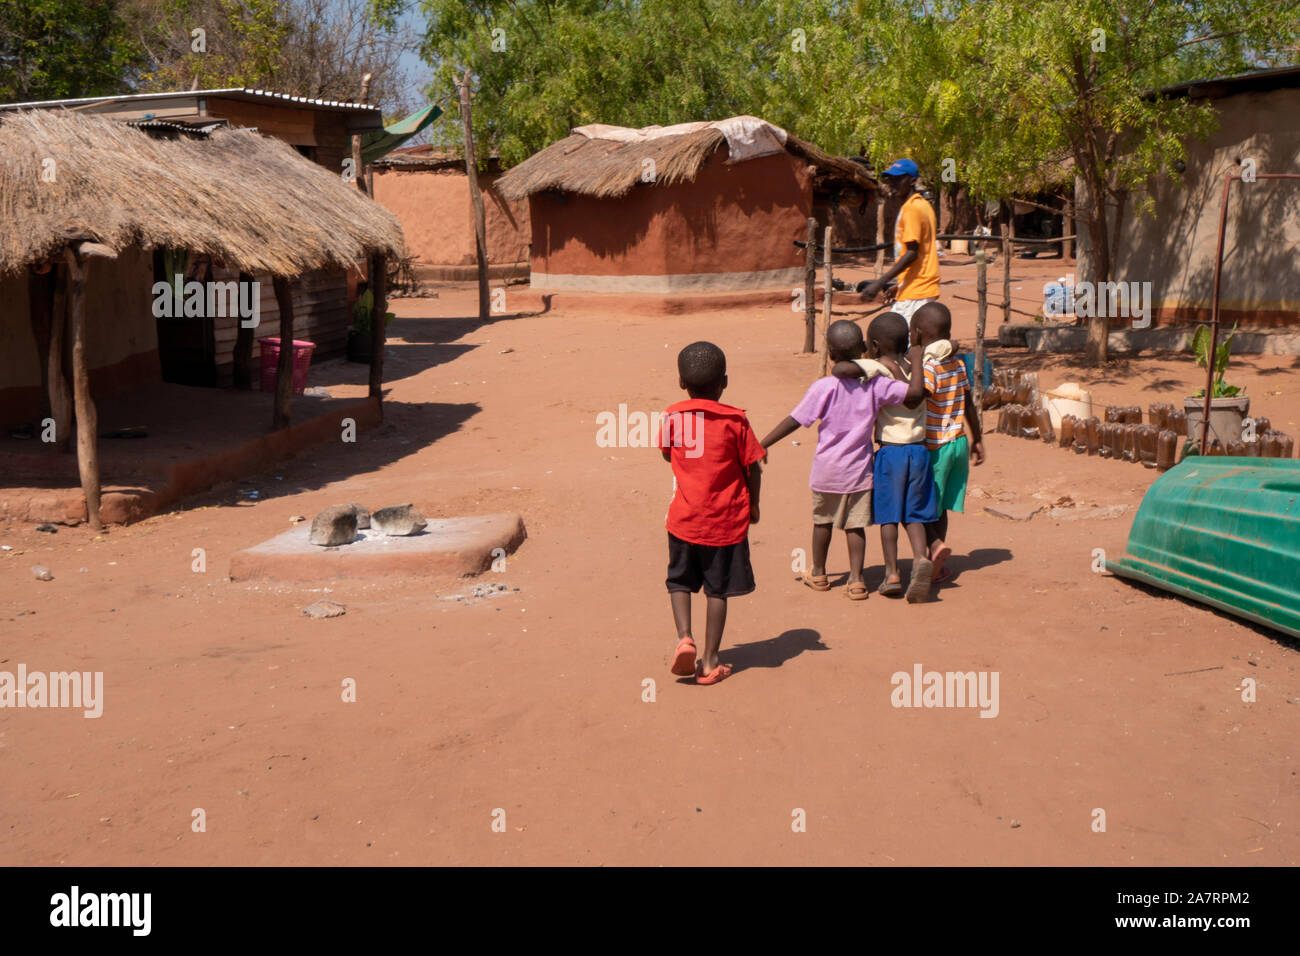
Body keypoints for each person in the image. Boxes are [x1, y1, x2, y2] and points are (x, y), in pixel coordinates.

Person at [760, 320, 923, 600]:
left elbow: (796, 420)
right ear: (863, 349)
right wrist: (905, 364)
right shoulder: (875, 385)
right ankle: (857, 581)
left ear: (830, 353)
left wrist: (763, 443)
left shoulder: (823, 387)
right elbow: (911, 394)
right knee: (855, 526)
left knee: (822, 522)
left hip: (826, 470)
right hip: (859, 470)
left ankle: (820, 574)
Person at [659, 341, 764, 685]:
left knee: (679, 581)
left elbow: (666, 454)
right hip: (726, 522)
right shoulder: (737, 421)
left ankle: (684, 637)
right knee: (716, 590)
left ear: (680, 382)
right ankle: (710, 661)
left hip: (684, 519)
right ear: (725, 382)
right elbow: (754, 467)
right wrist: (755, 505)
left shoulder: (673, 417)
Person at [832, 312, 935, 602]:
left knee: (889, 516)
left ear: (874, 345)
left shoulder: (876, 366)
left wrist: (875, 365)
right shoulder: (920, 365)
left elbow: (839, 370)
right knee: (914, 515)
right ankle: (919, 558)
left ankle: (891, 573)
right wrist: (914, 357)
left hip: (891, 452)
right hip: (920, 451)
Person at [912, 302, 985, 582]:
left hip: (936, 447)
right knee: (940, 507)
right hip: (958, 443)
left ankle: (935, 547)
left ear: (917, 333)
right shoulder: (957, 364)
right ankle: (937, 566)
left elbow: (917, 396)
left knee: (921, 504)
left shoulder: (929, 368)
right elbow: (968, 405)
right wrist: (977, 439)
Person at [857, 158, 940, 328]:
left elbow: (912, 253)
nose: (892, 183)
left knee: (894, 338)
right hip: (918, 287)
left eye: (898, 179)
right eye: (890, 179)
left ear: (912, 180)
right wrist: (899, 285)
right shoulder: (923, 205)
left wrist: (879, 282)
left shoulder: (912, 209)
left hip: (917, 291)